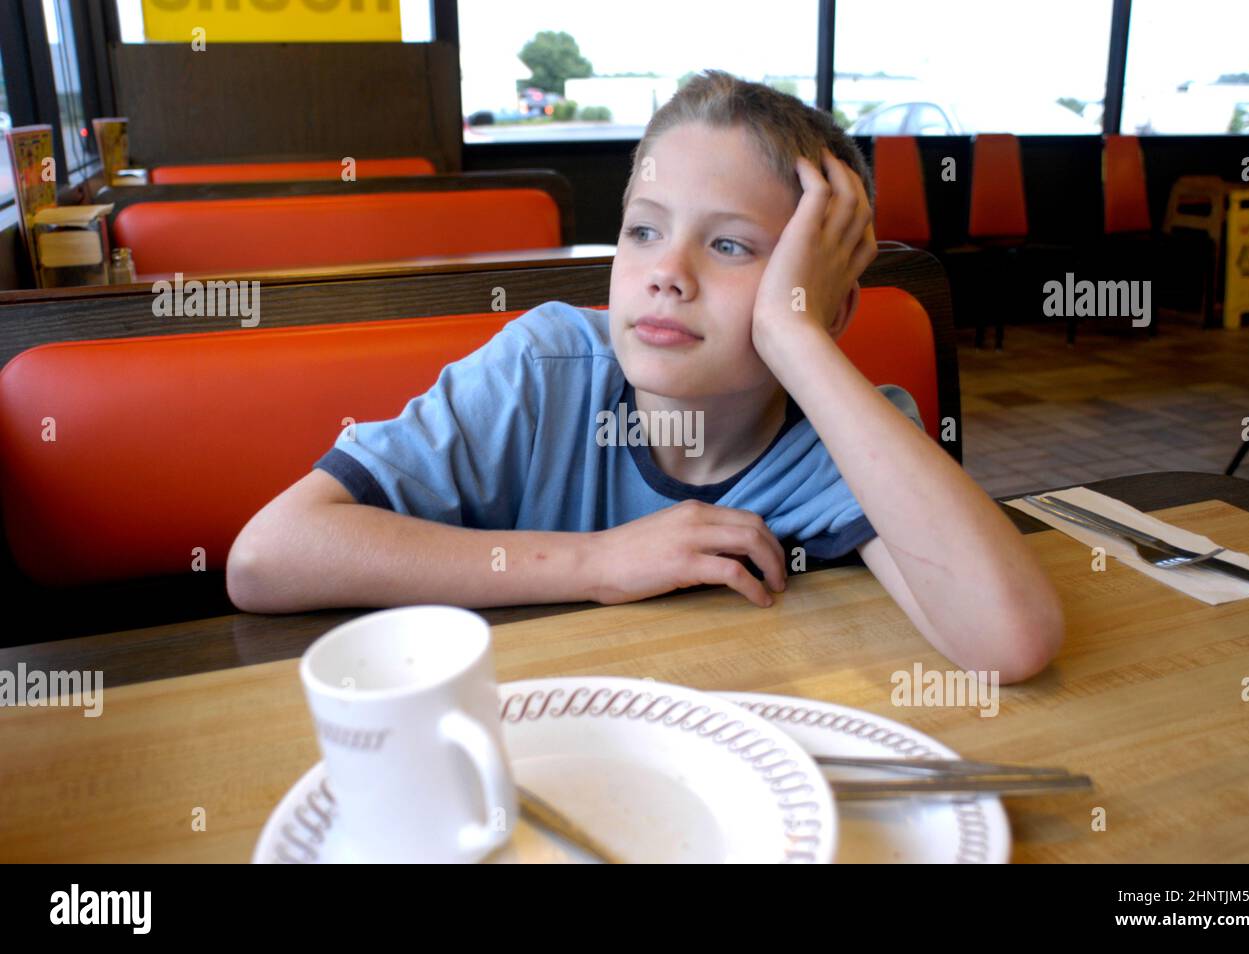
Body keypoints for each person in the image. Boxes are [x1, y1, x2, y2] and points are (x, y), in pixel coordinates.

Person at [227, 71, 1063, 683]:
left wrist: (792, 337)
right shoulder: (544, 369)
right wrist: (596, 563)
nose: (668, 272)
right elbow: (268, 558)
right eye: (643, 231)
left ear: (823, 310)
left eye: (730, 245)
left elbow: (1011, 640)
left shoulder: (839, 435)